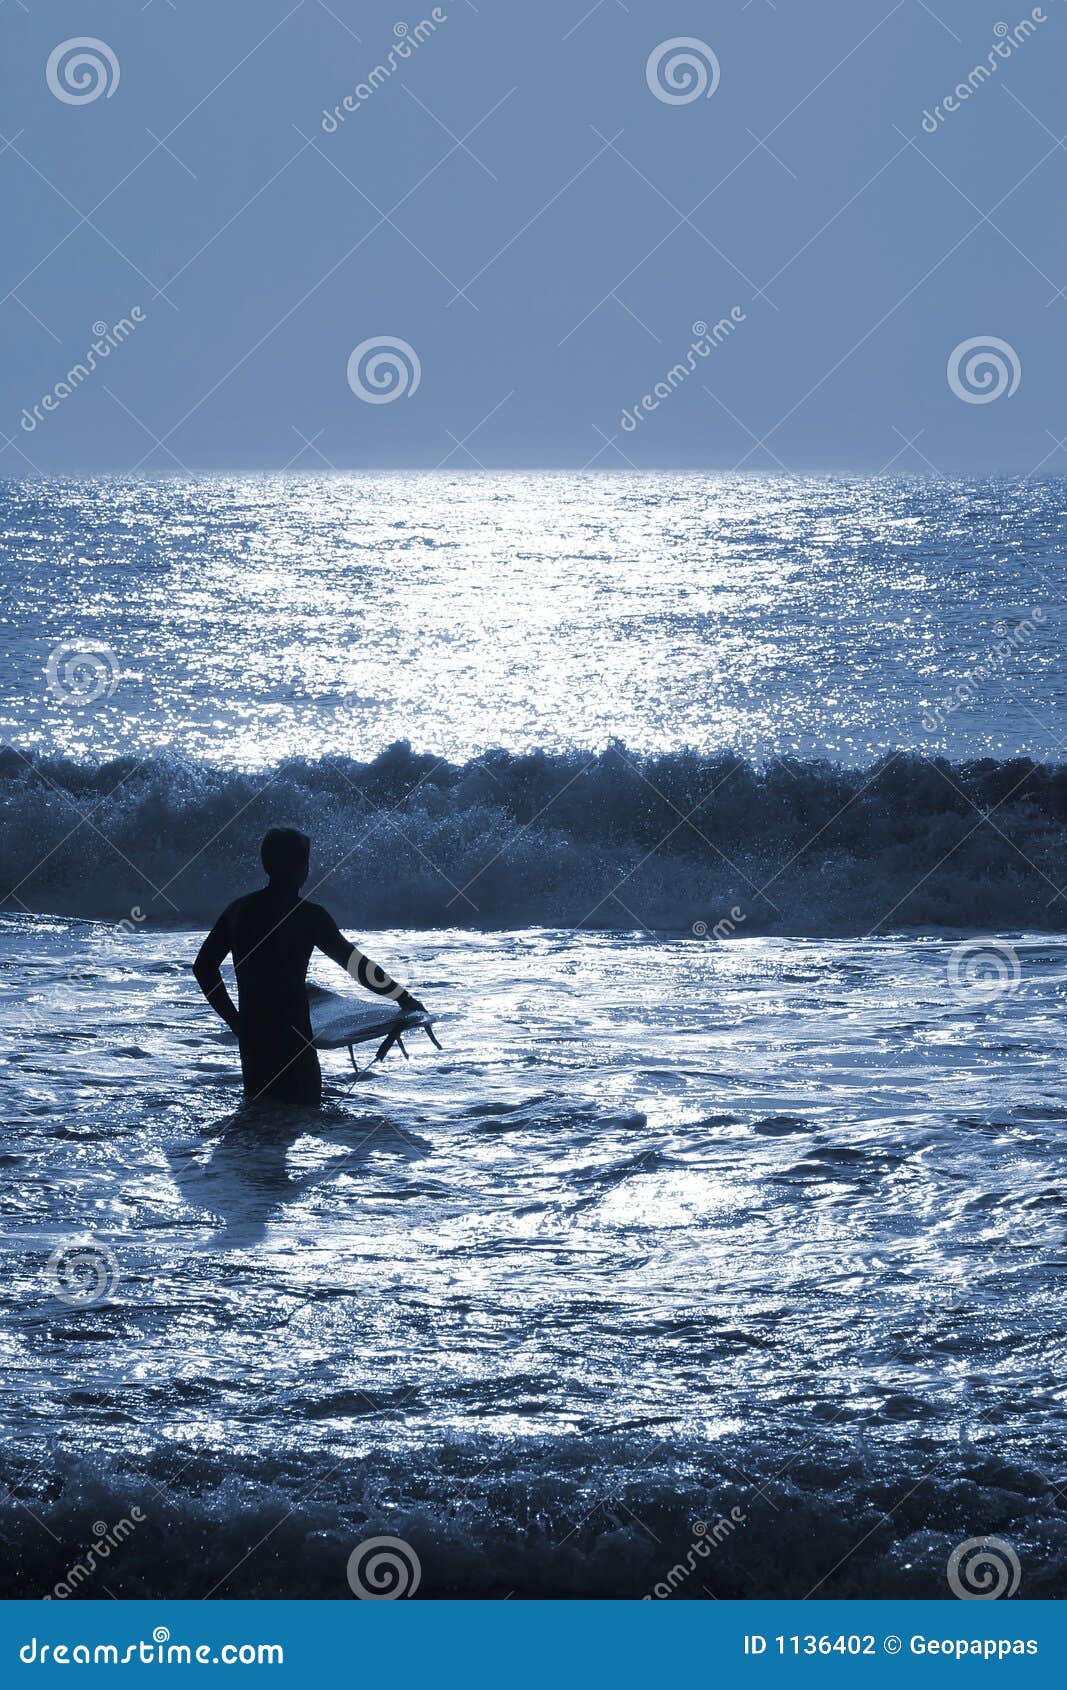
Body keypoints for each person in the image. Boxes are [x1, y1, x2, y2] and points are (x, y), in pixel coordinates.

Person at [193, 827, 424, 1106]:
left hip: (254, 1038)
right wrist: (403, 998)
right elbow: (356, 965)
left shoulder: (238, 911)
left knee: (258, 1117)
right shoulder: (308, 916)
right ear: (301, 867)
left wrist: (235, 1020)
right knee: (302, 1115)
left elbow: (204, 968)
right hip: (294, 1038)